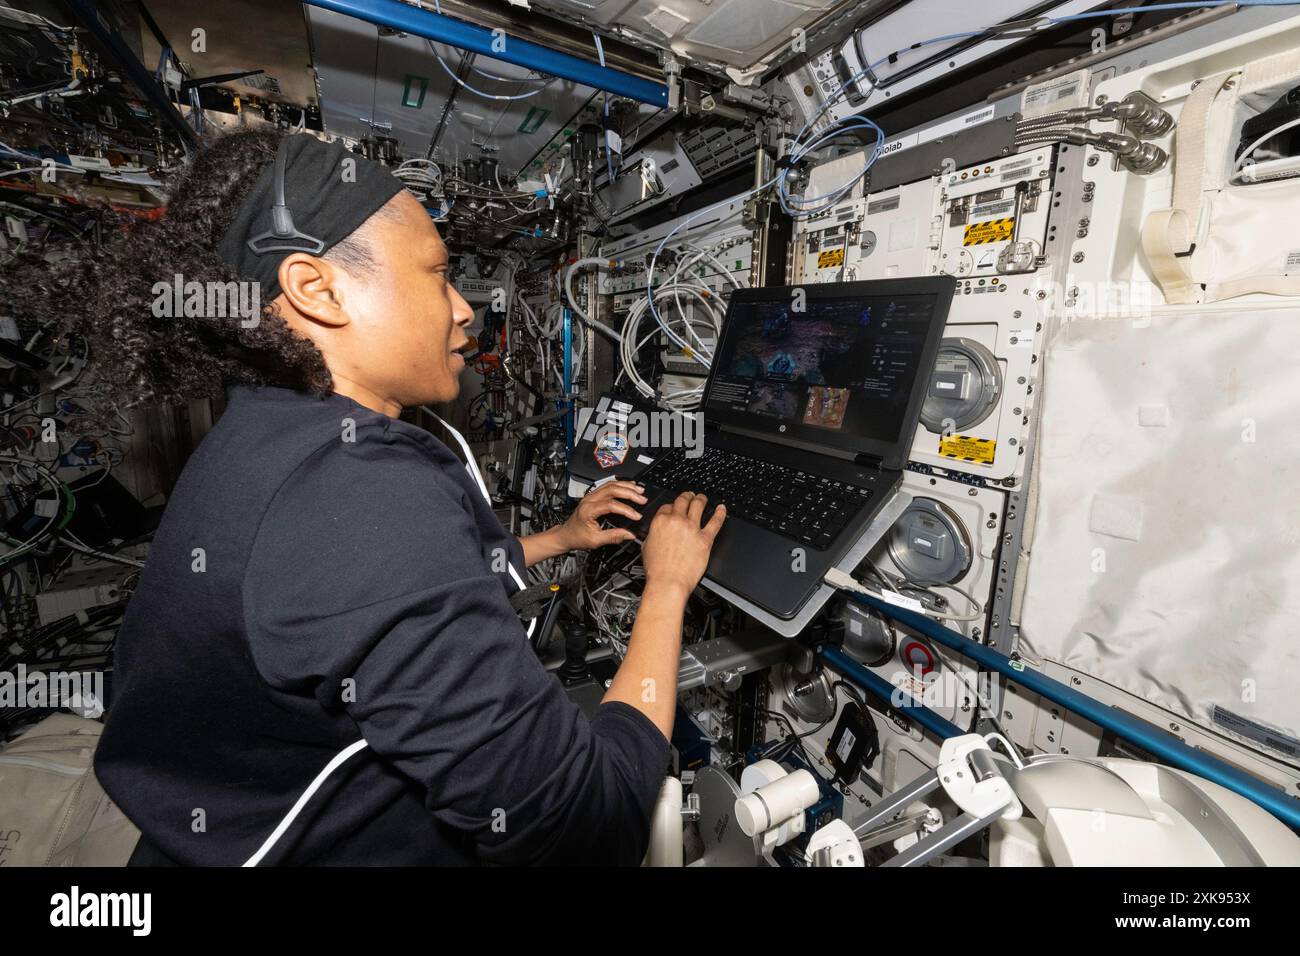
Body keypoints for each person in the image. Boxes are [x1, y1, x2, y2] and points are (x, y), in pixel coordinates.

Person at [6, 128, 725, 865]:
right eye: (438, 274)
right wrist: (667, 586)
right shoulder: (359, 494)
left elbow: (359, 603)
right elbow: (587, 822)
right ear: (316, 290)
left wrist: (558, 541)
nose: (463, 308)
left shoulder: (265, 438)